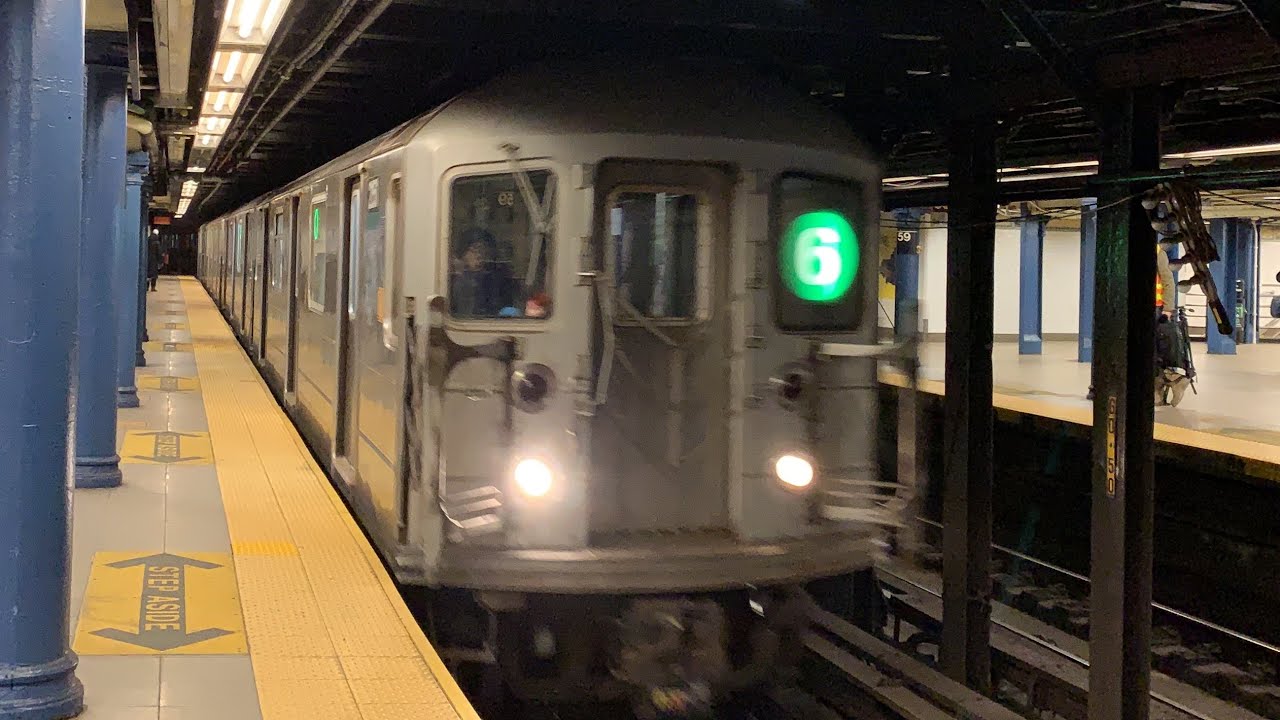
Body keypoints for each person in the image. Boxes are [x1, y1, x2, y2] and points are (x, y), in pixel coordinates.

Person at [1154, 245, 1192, 407]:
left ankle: (1174, 380)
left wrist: (1168, 308)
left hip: (1157, 308)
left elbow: (1167, 280)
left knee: (1156, 350)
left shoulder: (1157, 253)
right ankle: (1158, 388)